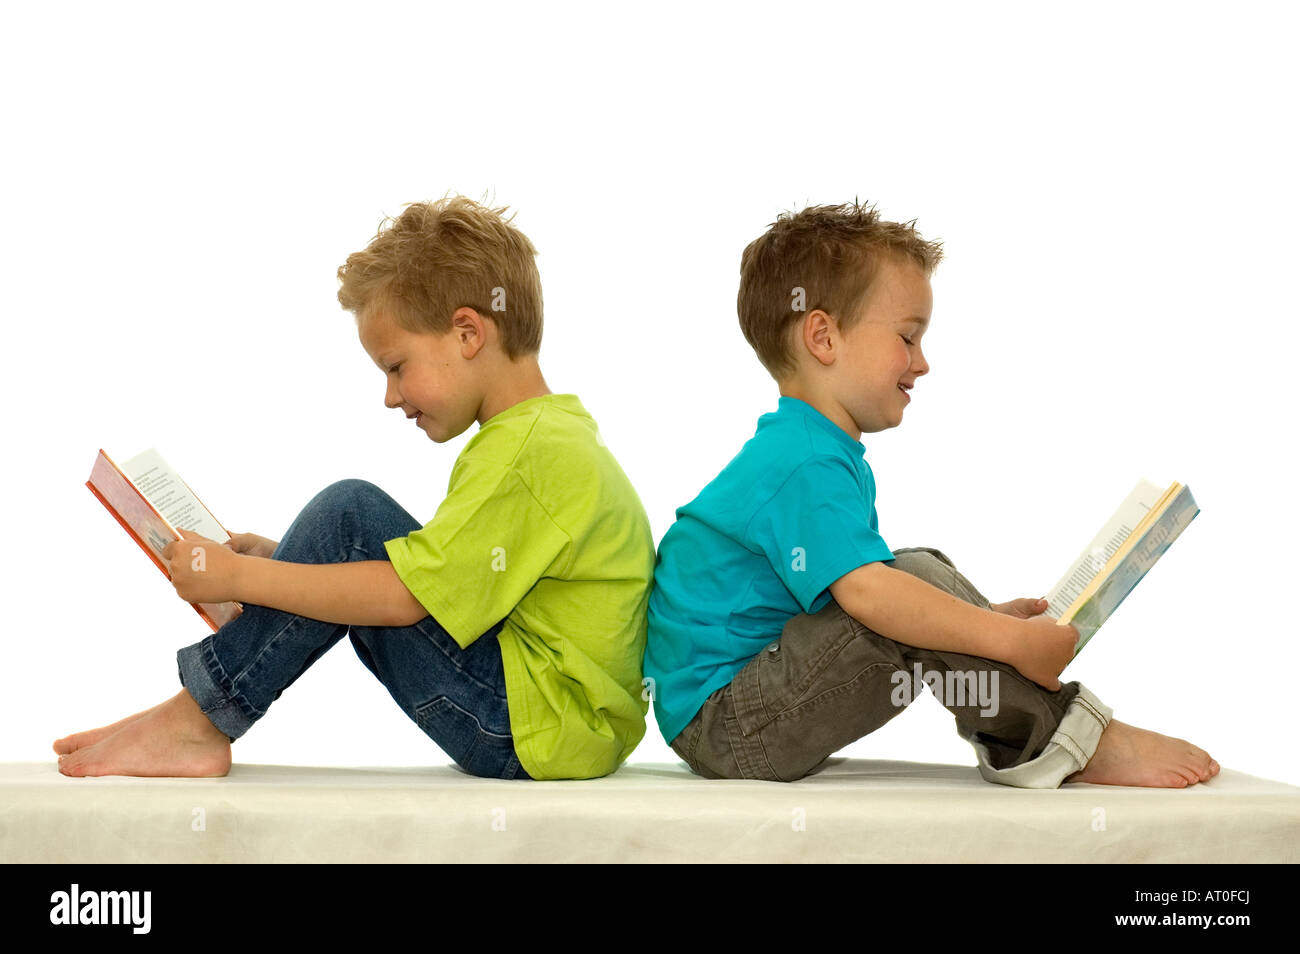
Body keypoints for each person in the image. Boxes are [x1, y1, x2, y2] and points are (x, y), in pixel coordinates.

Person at [56, 196, 656, 781]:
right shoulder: (550, 434)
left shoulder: (526, 453)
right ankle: (194, 718)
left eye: (396, 367)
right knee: (352, 531)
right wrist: (286, 561)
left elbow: (404, 597)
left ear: (469, 333)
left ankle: (198, 722)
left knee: (350, 517)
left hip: (525, 727)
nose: (391, 397)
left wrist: (236, 578)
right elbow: (445, 576)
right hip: (555, 723)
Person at [644, 201, 1219, 788]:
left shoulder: (806, 449)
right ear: (823, 336)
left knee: (915, 574)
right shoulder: (803, 461)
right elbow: (870, 597)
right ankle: (1072, 740)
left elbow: (857, 595)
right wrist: (1008, 641)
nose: (921, 363)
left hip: (742, 713)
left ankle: (1050, 721)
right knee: (904, 580)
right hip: (732, 729)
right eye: (907, 337)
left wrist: (979, 623)